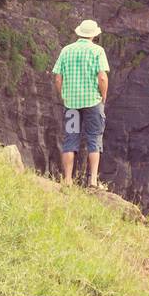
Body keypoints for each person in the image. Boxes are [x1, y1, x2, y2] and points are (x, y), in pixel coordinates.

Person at [51, 19, 109, 188]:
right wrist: (103, 96)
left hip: (71, 104)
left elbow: (58, 77)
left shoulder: (66, 50)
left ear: (79, 33)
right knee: (94, 139)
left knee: (70, 139)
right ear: (93, 35)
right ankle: (92, 181)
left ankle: (68, 180)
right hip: (92, 102)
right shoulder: (97, 51)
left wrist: (63, 95)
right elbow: (102, 77)